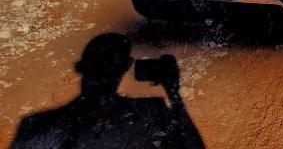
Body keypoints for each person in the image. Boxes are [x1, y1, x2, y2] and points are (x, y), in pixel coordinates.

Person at [11, 33, 204, 149]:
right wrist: (173, 93)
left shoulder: (38, 125)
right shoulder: (150, 113)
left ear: (81, 67)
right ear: (125, 67)